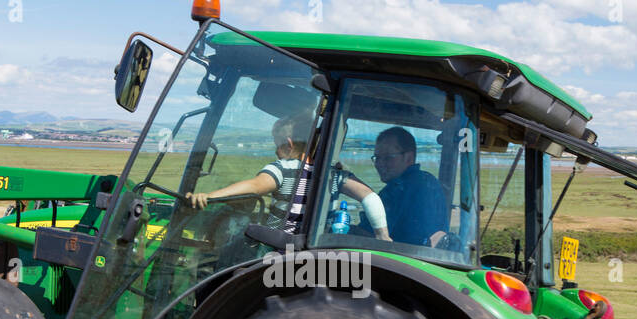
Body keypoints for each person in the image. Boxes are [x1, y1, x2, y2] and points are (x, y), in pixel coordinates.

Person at [187, 115, 390, 238]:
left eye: (277, 145)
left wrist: (211, 196)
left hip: (278, 248)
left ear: (289, 144)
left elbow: (256, 186)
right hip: (316, 250)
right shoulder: (335, 174)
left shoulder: (284, 168)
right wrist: (383, 236)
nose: (276, 151)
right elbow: (370, 197)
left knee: (231, 251)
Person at [354, 126, 449, 247]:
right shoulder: (428, 181)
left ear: (408, 158)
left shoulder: (399, 188)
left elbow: (368, 234)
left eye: (388, 158)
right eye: (377, 158)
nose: (380, 164)